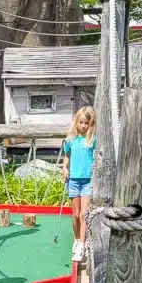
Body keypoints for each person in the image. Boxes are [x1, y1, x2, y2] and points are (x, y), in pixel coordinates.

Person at [62, 105, 97, 263]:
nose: (83, 126)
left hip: (88, 181)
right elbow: (67, 157)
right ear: (76, 122)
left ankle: (82, 245)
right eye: (81, 122)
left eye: (86, 123)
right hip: (74, 181)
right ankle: (77, 240)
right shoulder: (71, 140)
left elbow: (97, 157)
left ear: (90, 124)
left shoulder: (93, 139)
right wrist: (64, 168)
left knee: (84, 214)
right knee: (75, 215)